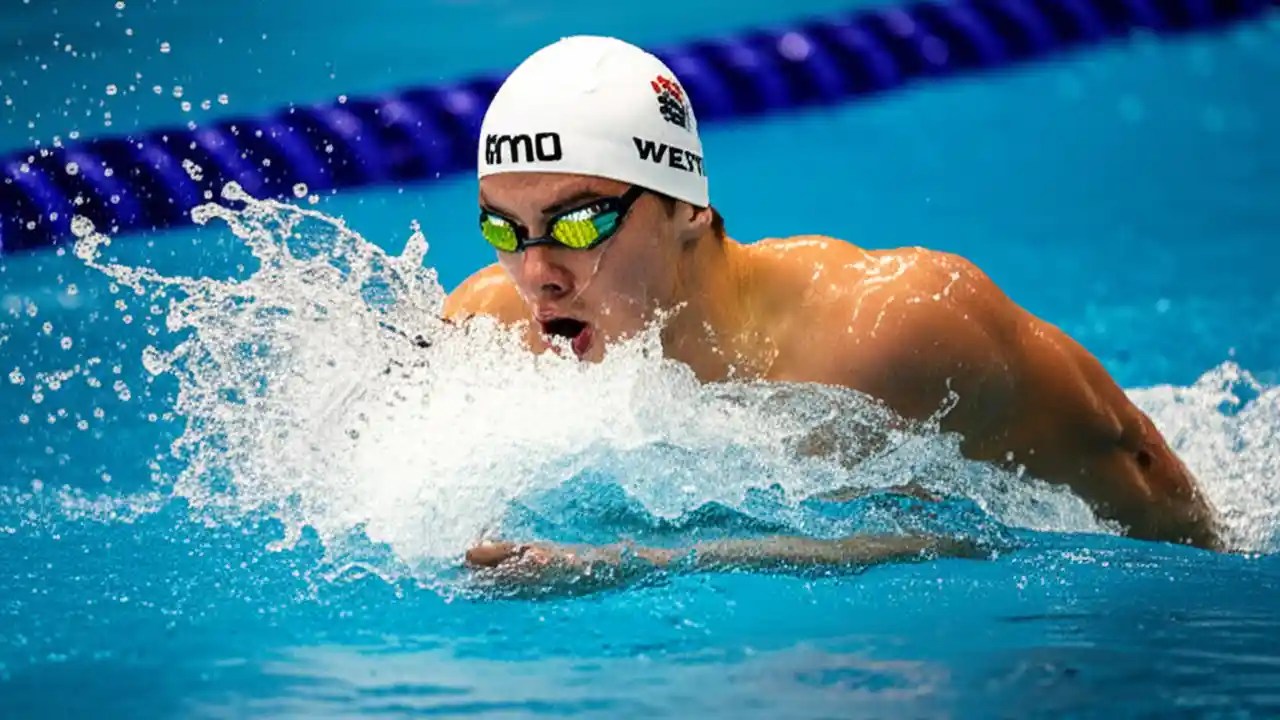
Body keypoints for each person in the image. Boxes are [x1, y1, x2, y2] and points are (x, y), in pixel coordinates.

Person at [442, 36, 1224, 577]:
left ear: (688, 209)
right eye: (503, 229)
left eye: (580, 223)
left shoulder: (895, 329)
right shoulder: (489, 336)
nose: (536, 274)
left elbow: (1138, 475)